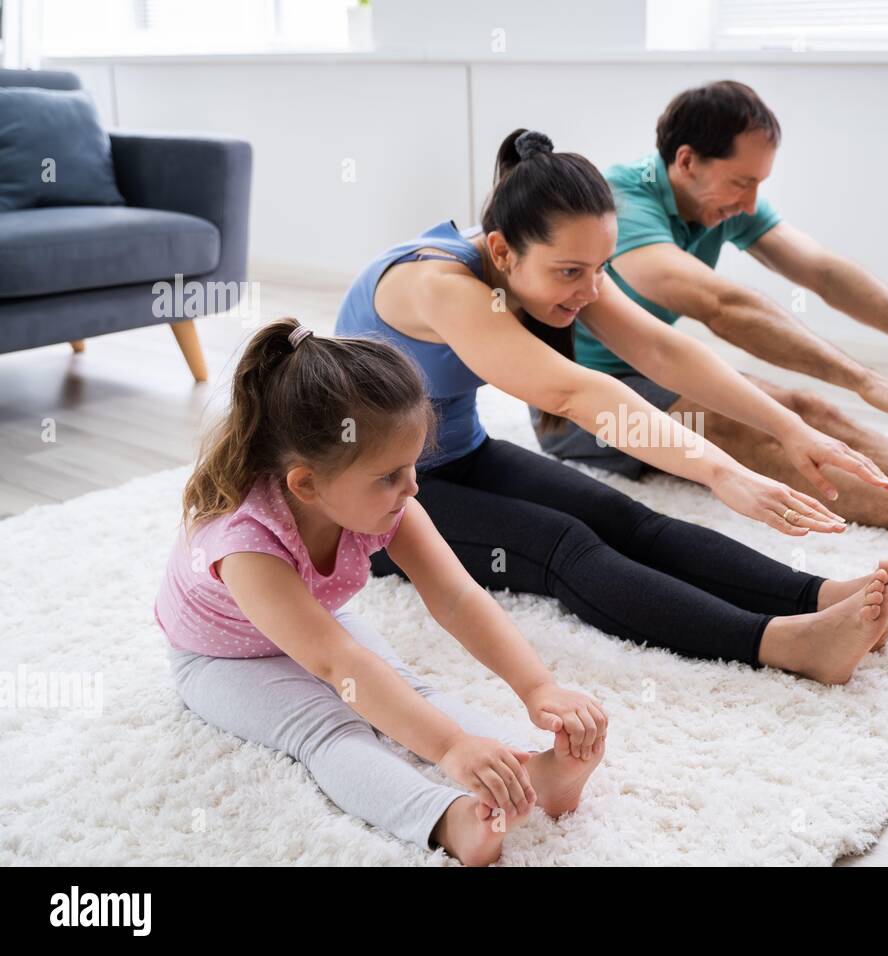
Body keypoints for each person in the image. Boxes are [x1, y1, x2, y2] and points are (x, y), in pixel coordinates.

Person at [336, 128, 888, 686]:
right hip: (373, 497)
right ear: (500, 251)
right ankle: (782, 644)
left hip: (460, 454)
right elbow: (576, 394)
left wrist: (789, 428)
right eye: (574, 271)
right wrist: (719, 470)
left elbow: (661, 348)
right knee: (561, 543)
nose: (592, 288)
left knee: (625, 518)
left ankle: (823, 598)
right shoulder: (441, 288)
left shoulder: (552, 267)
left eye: (600, 267)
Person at [536, 80, 888, 554]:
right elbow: (721, 307)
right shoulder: (625, 206)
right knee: (736, 427)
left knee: (805, 409)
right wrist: (865, 379)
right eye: (741, 182)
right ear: (685, 161)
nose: (750, 204)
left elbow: (822, 272)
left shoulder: (716, 198)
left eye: (759, 184)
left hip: (652, 373)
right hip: (577, 409)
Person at [154, 318, 607, 865]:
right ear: (306, 485)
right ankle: (445, 819)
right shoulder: (245, 544)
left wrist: (537, 687)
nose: (412, 486)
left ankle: (533, 776)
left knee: (410, 693)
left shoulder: (387, 502)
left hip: (317, 624)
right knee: (329, 727)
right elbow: (334, 661)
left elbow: (457, 597)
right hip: (221, 657)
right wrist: (448, 749)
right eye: (389, 475)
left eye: (413, 465)